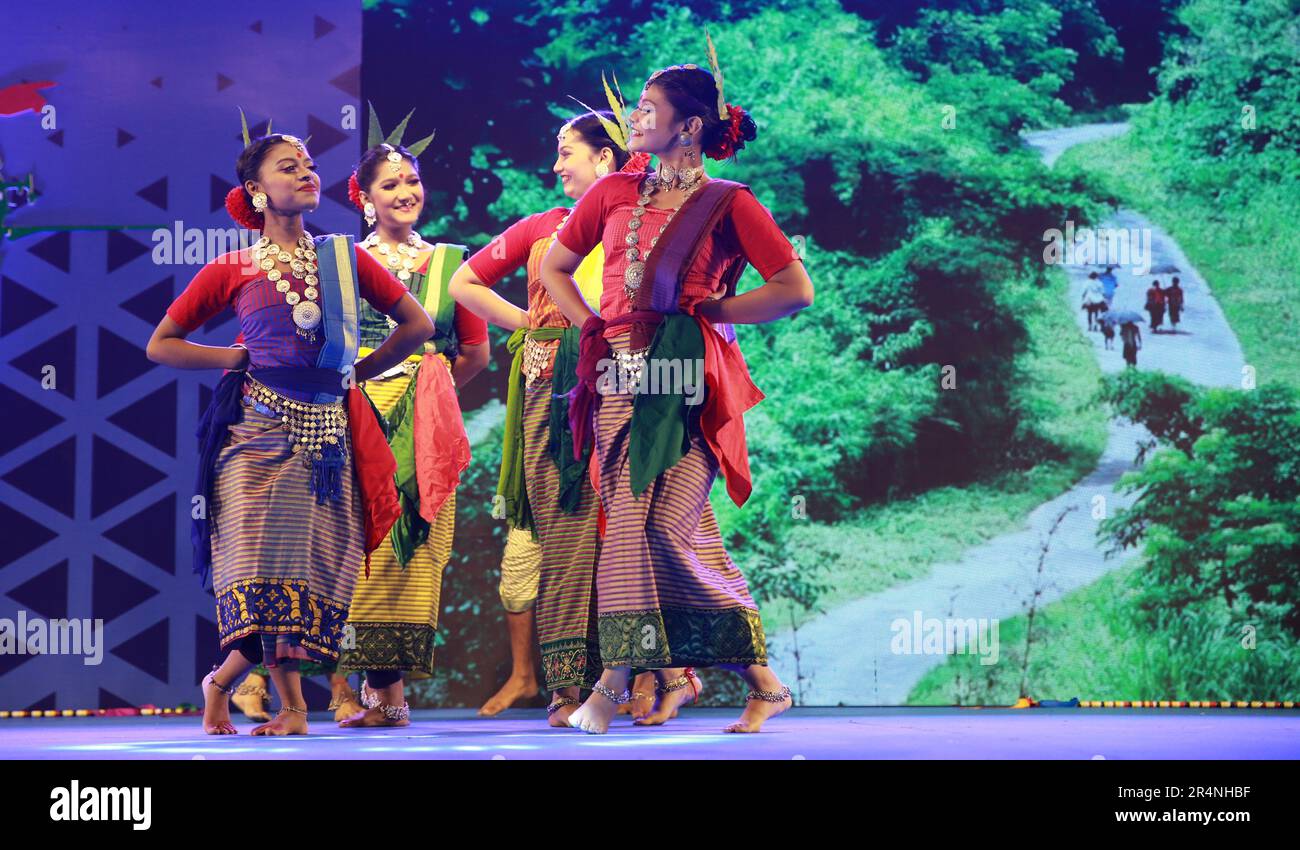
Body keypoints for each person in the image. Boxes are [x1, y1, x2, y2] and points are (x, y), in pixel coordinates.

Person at [540, 50, 813, 734]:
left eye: (648, 109)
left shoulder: (729, 202)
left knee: (645, 521)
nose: (634, 118)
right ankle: (764, 680)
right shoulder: (611, 195)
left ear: (689, 128)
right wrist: (590, 326)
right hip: (615, 377)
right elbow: (557, 266)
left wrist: (713, 314)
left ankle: (608, 686)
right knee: (661, 528)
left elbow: (793, 290)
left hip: (683, 380)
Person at [146, 118, 430, 735]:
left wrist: (356, 370)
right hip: (253, 431)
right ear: (254, 191)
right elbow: (161, 344)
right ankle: (228, 683)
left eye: (308, 164)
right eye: (288, 167)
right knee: (259, 568)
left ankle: (294, 710)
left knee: (308, 571)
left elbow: (417, 324)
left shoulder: (343, 258)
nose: (306, 173)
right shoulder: (233, 267)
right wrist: (233, 357)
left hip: (327, 433)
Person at [452, 109, 679, 726]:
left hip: (623, 385)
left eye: (566, 152)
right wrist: (530, 324)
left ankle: (648, 677)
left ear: (605, 158)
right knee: (563, 534)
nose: (555, 166)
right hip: (549, 394)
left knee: (627, 531)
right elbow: (466, 284)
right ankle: (567, 685)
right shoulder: (544, 229)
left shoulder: (636, 228)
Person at [333, 115, 491, 728]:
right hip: (356, 420)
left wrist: (433, 393)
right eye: (390, 184)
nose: (406, 192)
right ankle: (351, 690)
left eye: (413, 181)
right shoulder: (343, 261)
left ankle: (391, 695)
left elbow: (474, 352)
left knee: (412, 552)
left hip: (426, 430)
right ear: (365, 198)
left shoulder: (454, 262)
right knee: (358, 547)